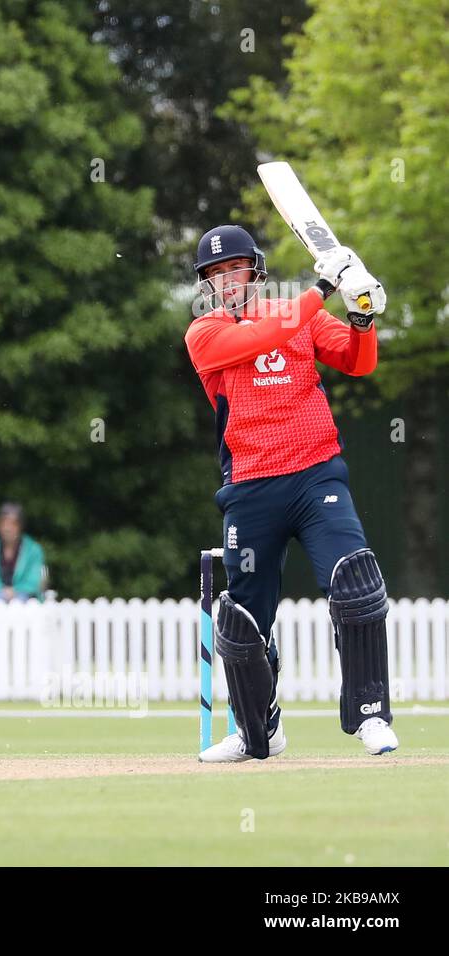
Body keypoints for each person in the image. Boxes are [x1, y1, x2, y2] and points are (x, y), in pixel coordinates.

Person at [184, 223, 396, 762]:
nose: (226, 280)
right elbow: (261, 338)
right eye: (215, 274)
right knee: (242, 618)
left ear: (254, 270)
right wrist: (321, 290)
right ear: (206, 285)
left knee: (356, 583)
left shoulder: (296, 316)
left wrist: (363, 316)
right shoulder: (204, 334)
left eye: (234, 268)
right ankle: (261, 733)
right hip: (251, 486)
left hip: (316, 474)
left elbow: (357, 360)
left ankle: (370, 715)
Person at [0, 502, 45, 602]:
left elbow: (35, 581)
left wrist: (15, 591)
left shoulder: (34, 550)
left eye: (13, 523)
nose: (8, 528)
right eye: (4, 523)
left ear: (20, 526)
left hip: (27, 601)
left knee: (20, 601)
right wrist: (2, 591)